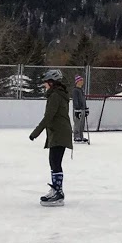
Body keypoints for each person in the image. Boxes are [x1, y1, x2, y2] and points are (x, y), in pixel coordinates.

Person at [29, 69, 73, 207]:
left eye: (46, 83)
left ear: (51, 82)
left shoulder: (55, 96)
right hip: (58, 132)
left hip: (59, 133)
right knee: (54, 161)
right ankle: (56, 189)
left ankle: (58, 192)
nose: (44, 85)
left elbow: (48, 117)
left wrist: (35, 133)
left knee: (55, 161)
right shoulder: (58, 94)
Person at [71, 74, 90, 144]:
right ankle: (76, 136)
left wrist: (86, 108)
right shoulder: (75, 90)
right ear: (77, 81)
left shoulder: (81, 90)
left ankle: (81, 136)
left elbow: (83, 100)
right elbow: (75, 100)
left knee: (82, 123)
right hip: (77, 109)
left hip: (82, 109)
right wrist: (77, 109)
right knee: (77, 123)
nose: (82, 82)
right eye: (81, 80)